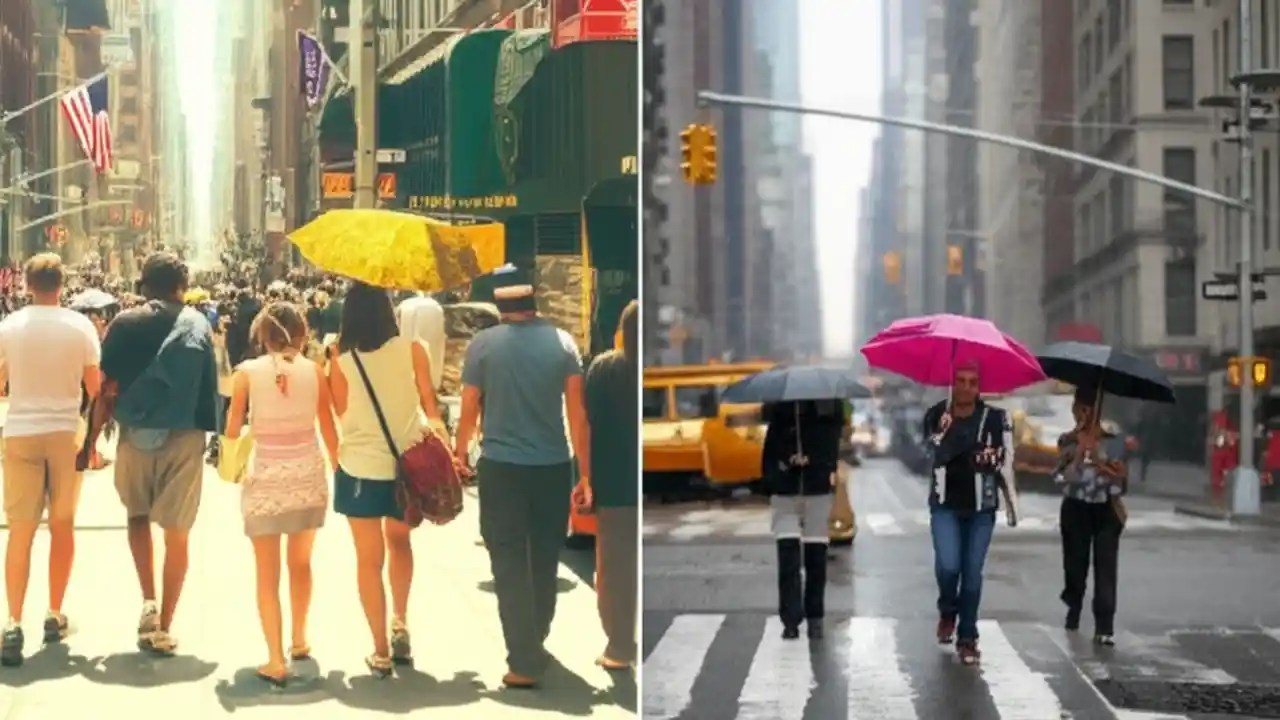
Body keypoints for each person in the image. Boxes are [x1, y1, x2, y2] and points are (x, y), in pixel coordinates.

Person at [453, 265, 589, 688]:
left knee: (508, 560)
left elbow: (469, 404)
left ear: (500, 306)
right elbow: (577, 414)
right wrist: (585, 474)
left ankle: (524, 659)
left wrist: (460, 453)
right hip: (553, 467)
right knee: (545, 558)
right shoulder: (563, 343)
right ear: (534, 304)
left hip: (501, 468)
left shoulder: (484, 344)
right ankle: (535, 640)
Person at [94, 252, 221, 655]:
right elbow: (212, 385)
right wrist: (217, 439)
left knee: (137, 515)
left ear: (144, 284)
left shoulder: (124, 323)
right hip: (184, 435)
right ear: (181, 287)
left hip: (135, 433)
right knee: (177, 531)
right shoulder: (198, 324)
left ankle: (148, 599)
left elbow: (104, 387)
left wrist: (90, 441)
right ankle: (164, 623)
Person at [327, 282, 445, 676]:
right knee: (400, 542)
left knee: (368, 559)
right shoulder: (413, 350)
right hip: (405, 466)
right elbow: (429, 403)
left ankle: (379, 650)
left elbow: (341, 412)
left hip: (359, 466)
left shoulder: (340, 360)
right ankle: (401, 621)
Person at [225, 302, 339, 685]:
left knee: (266, 571)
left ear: (263, 336)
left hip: (265, 477)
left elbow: (232, 428)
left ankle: (275, 658)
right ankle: (299, 639)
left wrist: (231, 465)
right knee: (301, 563)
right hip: (307, 474)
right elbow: (327, 426)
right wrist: (338, 467)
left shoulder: (246, 374)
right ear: (302, 334)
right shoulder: (315, 372)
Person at [0, 254, 101, 666]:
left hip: (20, 432)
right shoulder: (80, 327)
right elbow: (94, 386)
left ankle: (12, 622)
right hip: (65, 435)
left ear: (26, 285)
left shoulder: (9, 326)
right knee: (62, 526)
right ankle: (54, 613)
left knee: (20, 531)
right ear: (62, 285)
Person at [921, 362, 1015, 665]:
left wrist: (987, 456)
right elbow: (930, 451)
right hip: (945, 504)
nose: (965, 387)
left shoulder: (994, 418)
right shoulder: (937, 414)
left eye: (972, 382)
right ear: (952, 383)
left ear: (978, 387)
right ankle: (948, 610)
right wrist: (943, 433)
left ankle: (968, 637)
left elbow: (1000, 457)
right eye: (960, 381)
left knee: (972, 574)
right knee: (949, 567)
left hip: (981, 507)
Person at [583, 300, 638, 669]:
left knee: (614, 570)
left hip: (614, 486)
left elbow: (586, 425)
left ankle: (619, 646)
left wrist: (586, 478)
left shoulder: (604, 369)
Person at [761, 399, 843, 641]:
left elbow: (831, 450)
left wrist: (812, 459)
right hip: (785, 494)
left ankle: (815, 617)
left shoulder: (828, 409)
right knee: (788, 559)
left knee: (815, 559)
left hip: (817, 492)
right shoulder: (779, 412)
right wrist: (788, 460)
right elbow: (769, 454)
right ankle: (790, 621)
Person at [1055, 386, 1127, 646]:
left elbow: (1120, 482)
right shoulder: (1067, 440)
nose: (1082, 413)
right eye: (1079, 408)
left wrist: (1099, 457)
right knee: (1075, 566)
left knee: (1106, 567)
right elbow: (1063, 478)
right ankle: (1073, 604)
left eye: (1088, 408)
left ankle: (1104, 625)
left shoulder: (1113, 441)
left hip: (1106, 509)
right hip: (1076, 508)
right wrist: (1078, 453)